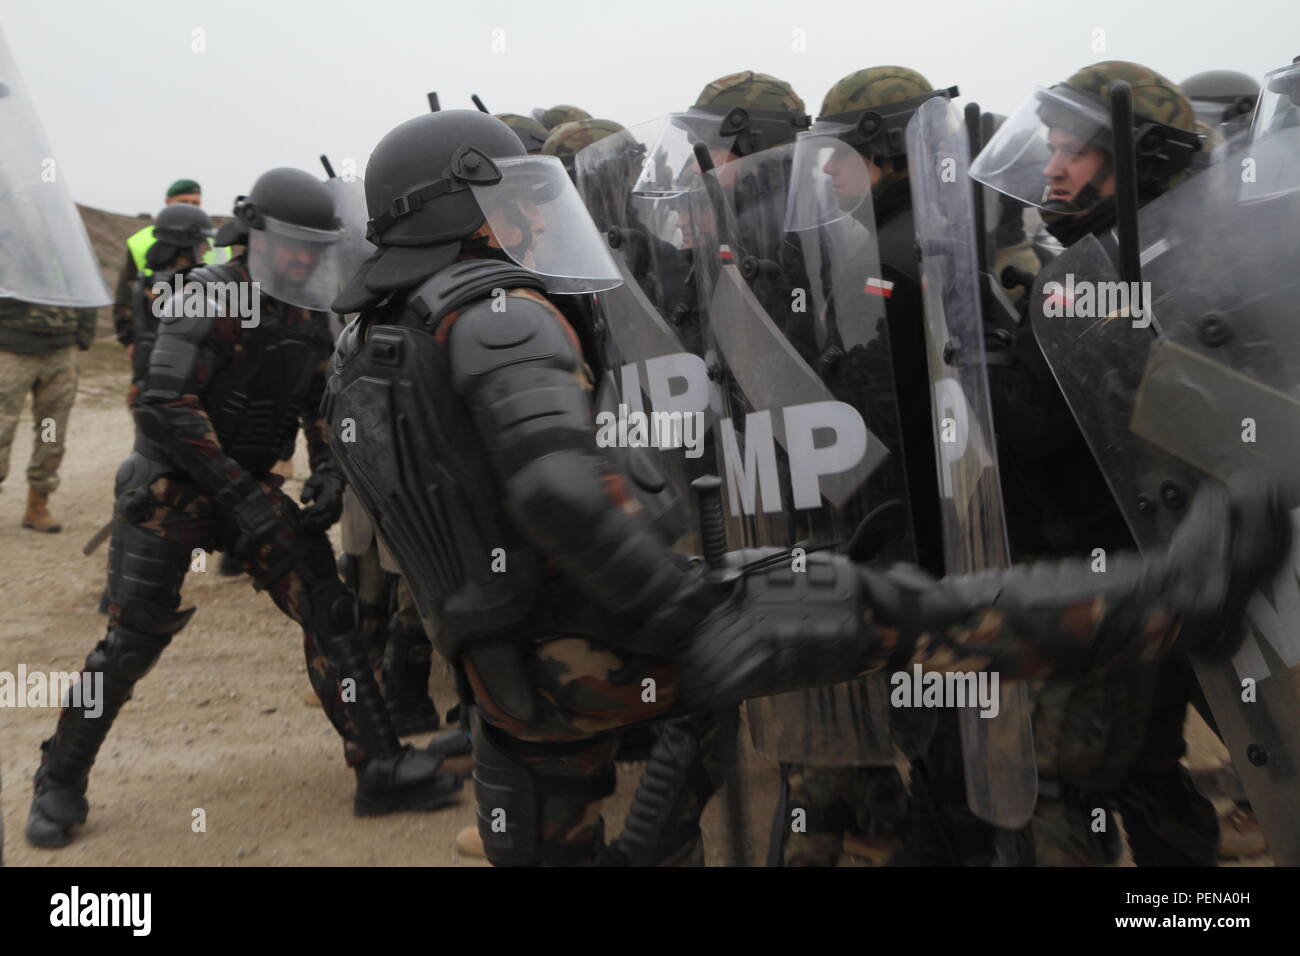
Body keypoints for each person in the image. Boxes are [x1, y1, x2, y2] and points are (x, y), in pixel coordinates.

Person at [325, 108, 1287, 866]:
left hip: (510, 687)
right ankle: (1169, 600)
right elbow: (558, 491)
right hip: (604, 640)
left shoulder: (371, 341)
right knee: (918, 614)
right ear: (468, 205)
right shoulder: (498, 308)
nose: (539, 219)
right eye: (523, 199)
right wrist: (691, 616)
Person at [26, 166, 461, 850]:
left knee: (330, 610)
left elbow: (320, 403)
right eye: (290, 242)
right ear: (251, 233)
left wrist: (326, 478)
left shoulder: (308, 311)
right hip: (171, 490)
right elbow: (164, 404)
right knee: (130, 642)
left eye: (313, 246)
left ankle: (380, 765)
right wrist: (237, 495)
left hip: (249, 486)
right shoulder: (209, 293)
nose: (302, 257)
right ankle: (59, 777)